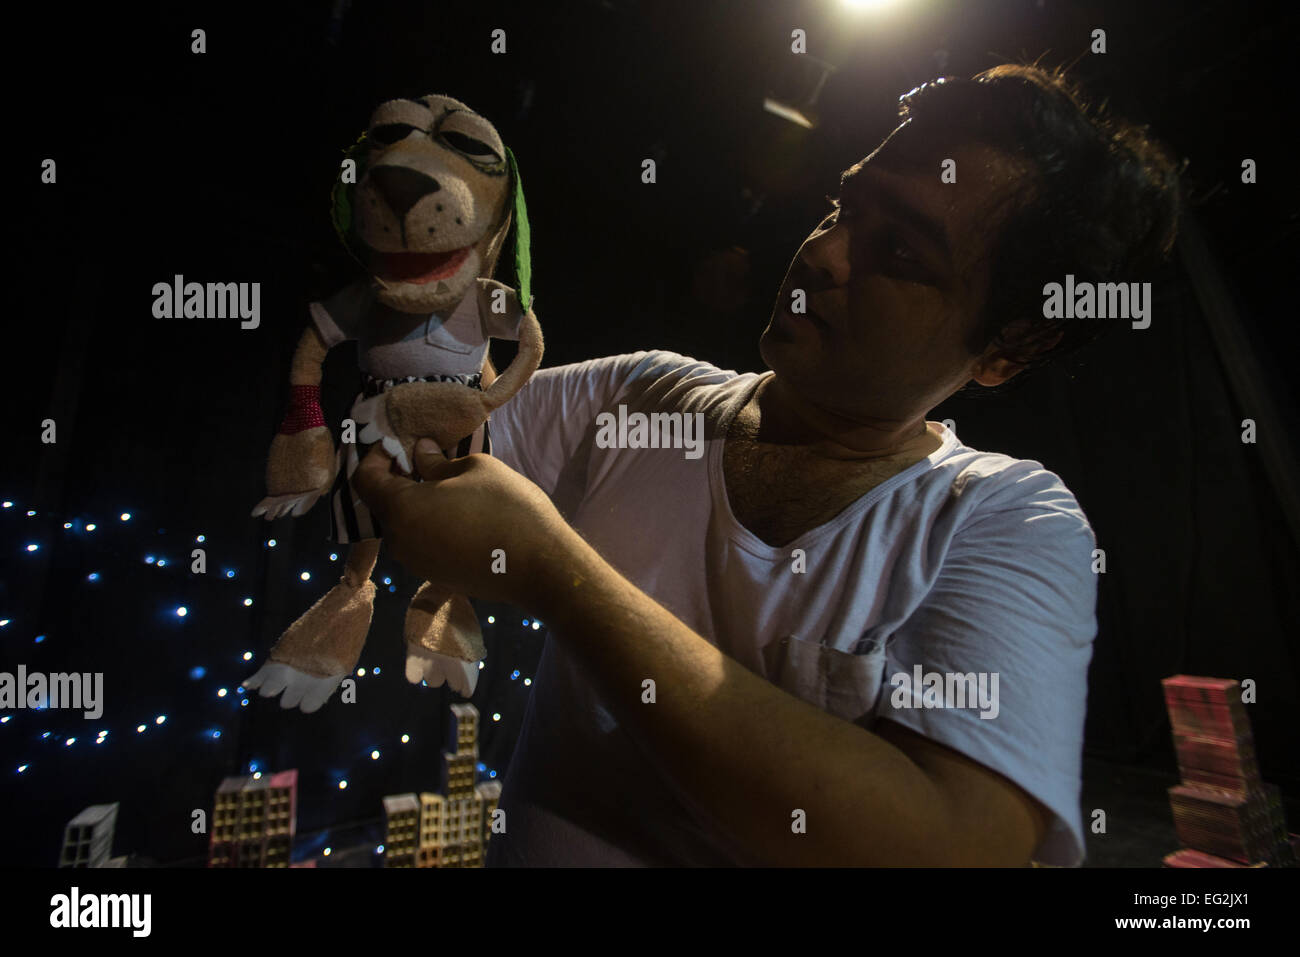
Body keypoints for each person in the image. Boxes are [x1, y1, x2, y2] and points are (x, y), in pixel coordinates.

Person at [351, 63, 1180, 866]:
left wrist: (553, 573)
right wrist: (428, 249)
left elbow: (953, 837)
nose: (825, 253)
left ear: (1009, 345)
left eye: (900, 255)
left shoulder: (1004, 520)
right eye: (843, 205)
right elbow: (420, 428)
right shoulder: (640, 397)